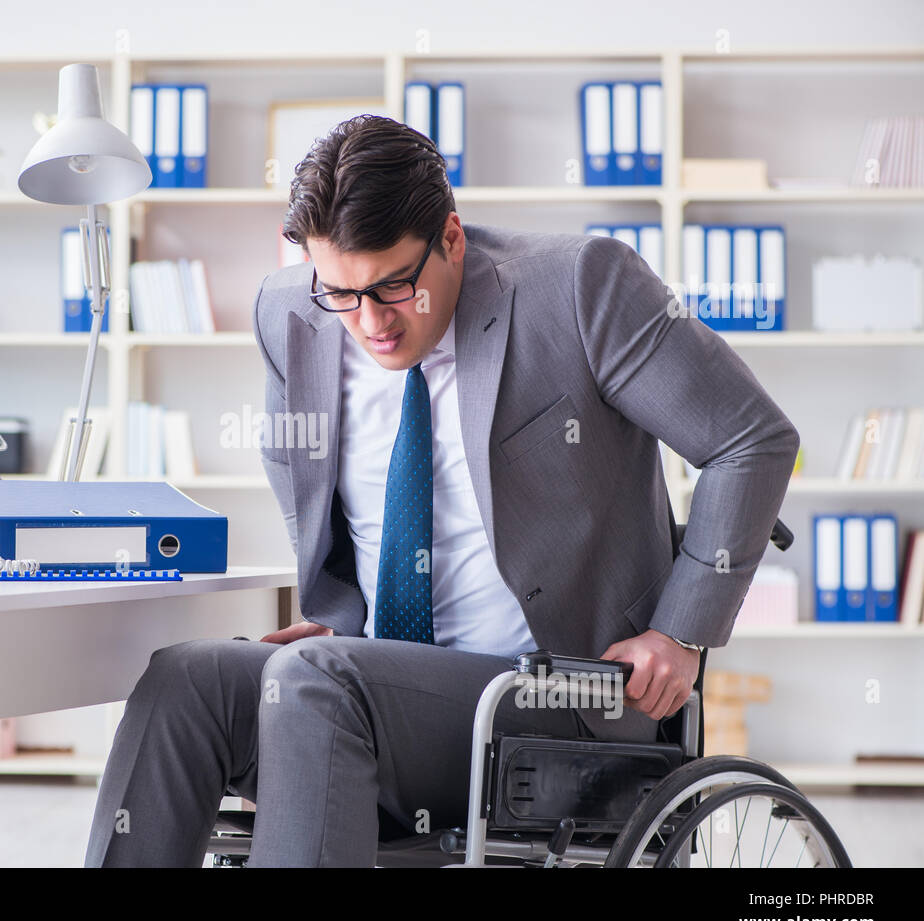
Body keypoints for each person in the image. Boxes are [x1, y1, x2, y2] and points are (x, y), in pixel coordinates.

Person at [83, 114, 798, 867]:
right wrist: (349, 624)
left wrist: (679, 633)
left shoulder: (581, 287)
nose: (370, 323)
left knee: (315, 683)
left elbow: (750, 439)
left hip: (555, 698)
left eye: (393, 286)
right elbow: (307, 483)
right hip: (369, 682)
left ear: (451, 239)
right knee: (185, 677)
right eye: (342, 293)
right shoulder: (288, 312)